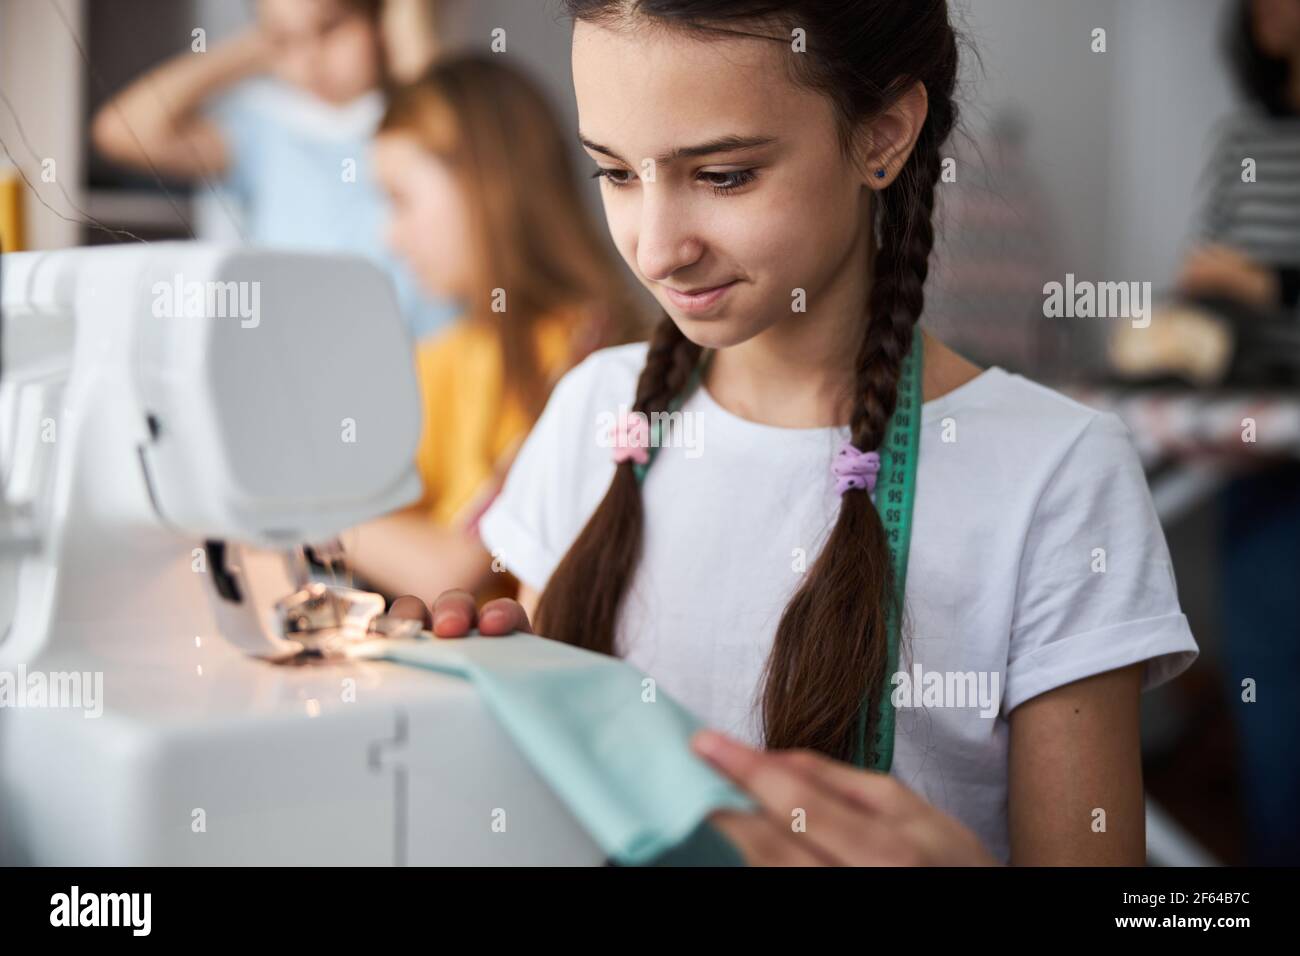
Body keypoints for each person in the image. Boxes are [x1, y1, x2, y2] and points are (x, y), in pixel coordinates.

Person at [393, 0, 1199, 866]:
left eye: (724, 175)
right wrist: (462, 708)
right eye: (617, 174)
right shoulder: (594, 410)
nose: (657, 249)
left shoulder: (1057, 475)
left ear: (883, 136)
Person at [350, 55, 641, 601]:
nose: (389, 236)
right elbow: (378, 507)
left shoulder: (585, 349)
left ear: (486, 185)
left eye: (401, 199)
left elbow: (452, 570)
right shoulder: (441, 356)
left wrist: (290, 516)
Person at [91, 0, 456, 340]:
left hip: (429, 366)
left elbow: (457, 141)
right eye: (285, 42)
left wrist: (407, 23)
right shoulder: (261, 131)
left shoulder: (418, 121)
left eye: (330, 29)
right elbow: (121, 132)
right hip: (309, 371)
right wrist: (256, 46)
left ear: (379, 20)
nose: (310, 60)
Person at [1175, 0, 1300, 866]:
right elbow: (1211, 267)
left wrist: (1272, 288)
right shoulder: (1243, 142)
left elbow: (1259, 282)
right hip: (1261, 443)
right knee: (1273, 682)